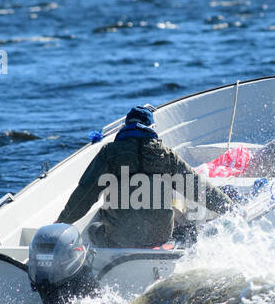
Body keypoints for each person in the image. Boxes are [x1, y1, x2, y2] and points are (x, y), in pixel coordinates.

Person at [57, 104, 234, 247]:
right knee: (183, 218)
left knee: (92, 229)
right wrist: (231, 208)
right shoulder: (166, 155)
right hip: (159, 236)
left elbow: (85, 194)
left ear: (125, 127)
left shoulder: (109, 153)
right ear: (151, 129)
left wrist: (61, 224)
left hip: (120, 239)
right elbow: (197, 187)